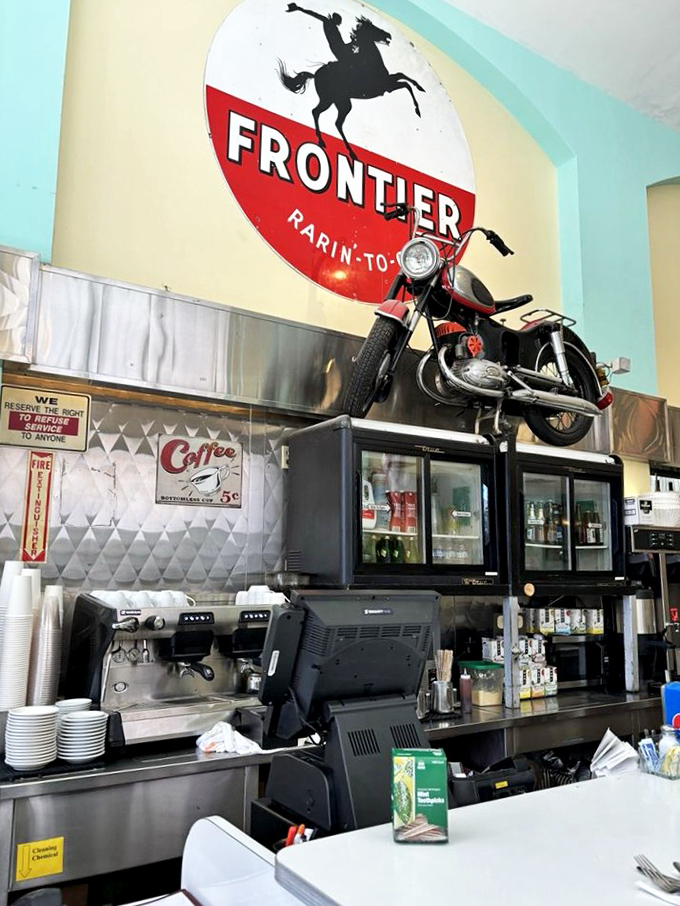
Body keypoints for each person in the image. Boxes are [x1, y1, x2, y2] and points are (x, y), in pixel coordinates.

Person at [286, 3, 354, 62]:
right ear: (335, 19)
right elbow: (314, 14)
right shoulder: (327, 22)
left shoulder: (331, 25)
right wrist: (300, 9)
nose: (338, 23)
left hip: (339, 48)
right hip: (339, 49)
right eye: (337, 21)